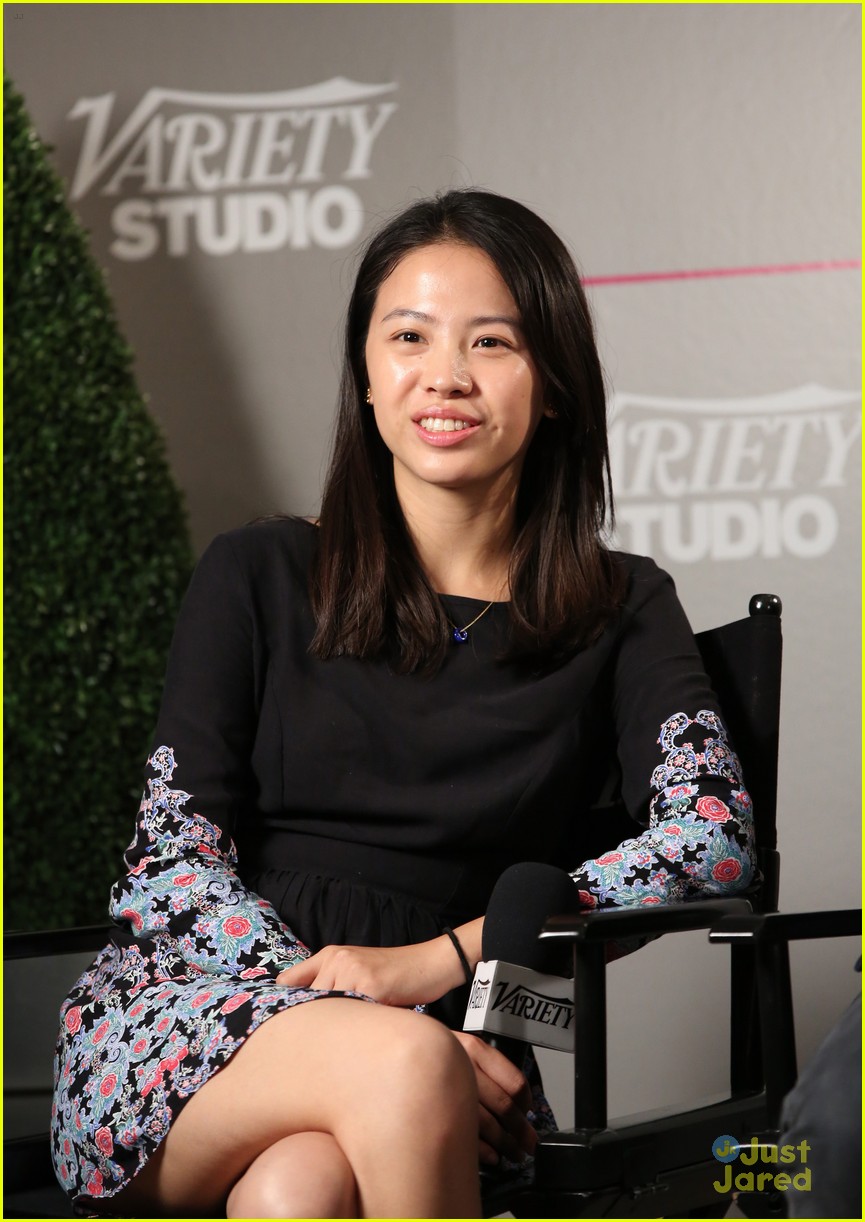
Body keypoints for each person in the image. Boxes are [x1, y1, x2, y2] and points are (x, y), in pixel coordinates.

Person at [51, 189, 757, 1219]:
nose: (446, 375)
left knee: (299, 1193)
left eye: (492, 341)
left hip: (466, 1041)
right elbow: (171, 868)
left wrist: (439, 965)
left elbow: (714, 837)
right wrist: (366, 1010)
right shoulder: (259, 570)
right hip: (186, 1026)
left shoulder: (621, 604)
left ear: (553, 383)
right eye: (410, 336)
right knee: (401, 1071)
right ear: (369, 377)